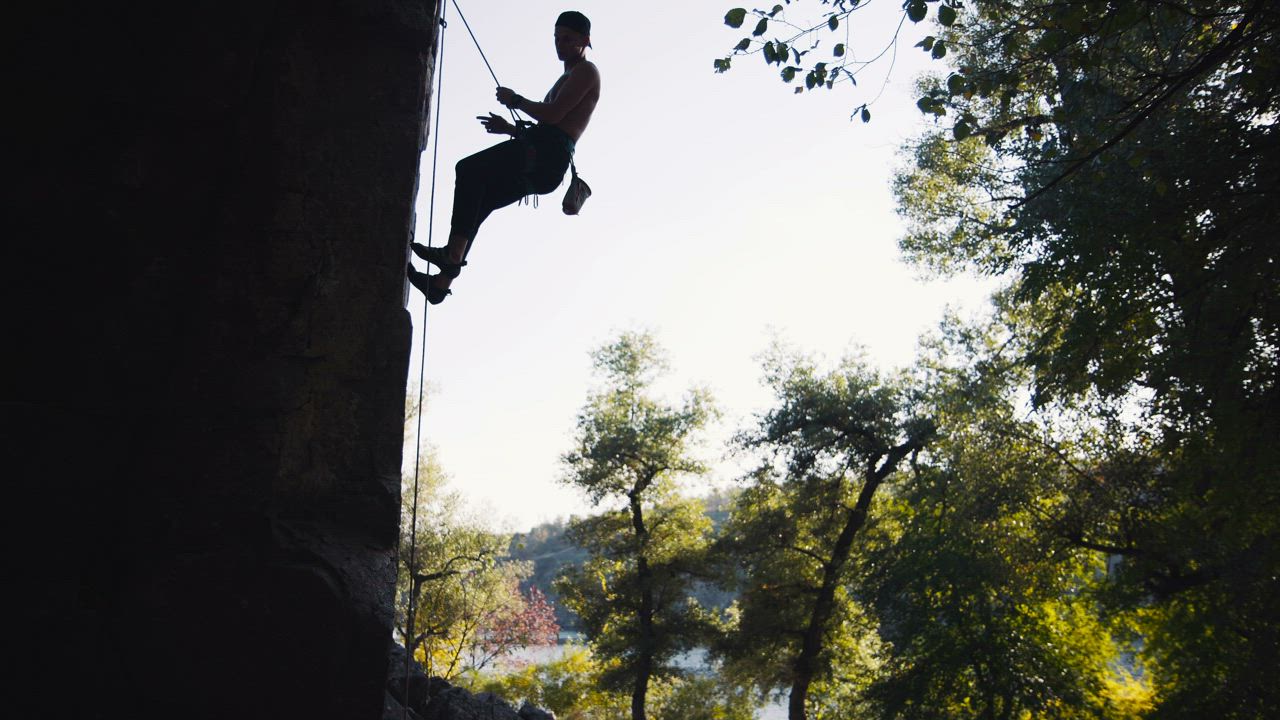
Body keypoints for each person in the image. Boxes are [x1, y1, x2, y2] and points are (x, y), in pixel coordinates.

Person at [408, 10, 601, 304]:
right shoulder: (568, 75)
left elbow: (553, 116)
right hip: (545, 161)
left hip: (547, 157)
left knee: (469, 170)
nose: (560, 45)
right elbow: (550, 125)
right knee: (480, 200)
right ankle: (441, 282)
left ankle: (450, 256)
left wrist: (517, 100)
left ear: (585, 41)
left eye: (567, 39)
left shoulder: (586, 72)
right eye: (556, 38)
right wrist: (509, 129)